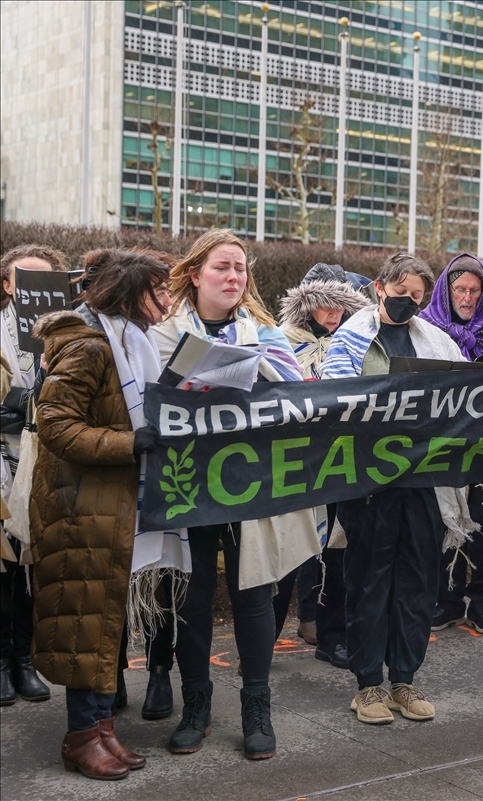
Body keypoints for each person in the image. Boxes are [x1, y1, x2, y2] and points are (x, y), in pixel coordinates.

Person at [321, 253, 483, 725]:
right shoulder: (349, 339)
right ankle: (368, 685)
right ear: (378, 288)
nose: (409, 303)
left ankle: (404, 679)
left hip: (424, 483)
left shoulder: (436, 339)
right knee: (370, 581)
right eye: (402, 294)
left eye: (418, 297)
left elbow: (465, 388)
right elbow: (331, 401)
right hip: (368, 484)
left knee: (417, 582)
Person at [154, 230, 316, 760]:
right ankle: (195, 707)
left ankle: (256, 707)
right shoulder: (161, 333)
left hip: (250, 487)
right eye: (222, 267)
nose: (233, 277)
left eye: (241, 269)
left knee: (253, 596)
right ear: (195, 274)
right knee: (193, 599)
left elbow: (297, 398)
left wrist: (261, 373)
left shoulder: (267, 334)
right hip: (187, 485)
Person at [30, 250, 173, 779]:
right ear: (128, 291)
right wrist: (130, 443)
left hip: (108, 507)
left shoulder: (130, 340)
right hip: (79, 507)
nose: (166, 299)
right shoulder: (90, 346)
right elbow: (57, 427)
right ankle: (80, 736)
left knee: (103, 623)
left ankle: (101, 729)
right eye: (156, 289)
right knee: (84, 622)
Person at [421, 253, 483, 636]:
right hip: (443, 439)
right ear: (446, 291)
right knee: (444, 517)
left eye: (475, 290)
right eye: (460, 289)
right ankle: (446, 600)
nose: (467, 297)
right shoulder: (426, 326)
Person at [279, 263, 370, 668]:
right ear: (307, 305)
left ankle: (330, 634)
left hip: (340, 461)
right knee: (287, 551)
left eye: (340, 306)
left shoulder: (353, 344)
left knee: (338, 549)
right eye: (324, 306)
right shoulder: (281, 343)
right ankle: (265, 637)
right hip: (295, 461)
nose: (333, 315)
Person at [0, 245, 67, 707]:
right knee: (4, 567)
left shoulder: (69, 334)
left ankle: (26, 660)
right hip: (2, 460)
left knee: (34, 568)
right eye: (25, 279)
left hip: (45, 460)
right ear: (8, 285)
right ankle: (4, 662)